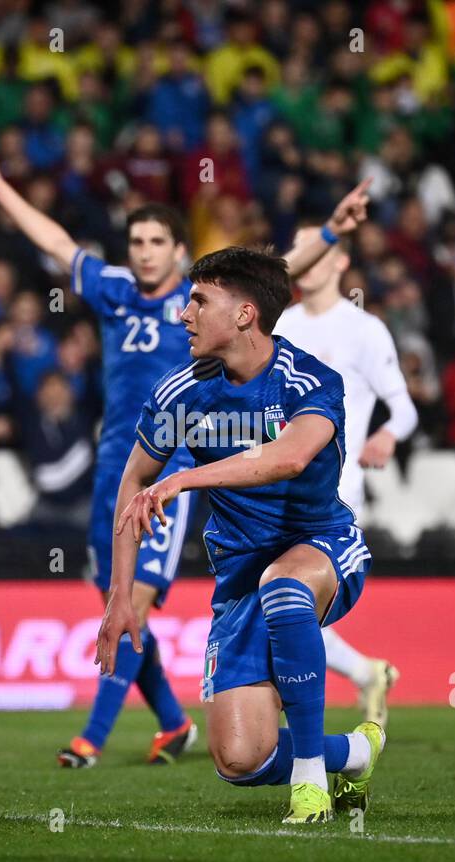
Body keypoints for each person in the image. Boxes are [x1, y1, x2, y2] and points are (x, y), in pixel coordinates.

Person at [0, 126, 371, 769]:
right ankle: (174, 721)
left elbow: (270, 276)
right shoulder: (116, 295)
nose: (146, 253)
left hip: (183, 463)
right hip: (119, 463)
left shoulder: (204, 301)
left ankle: (93, 738)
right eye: (136, 242)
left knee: (140, 600)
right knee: (120, 601)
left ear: (179, 251)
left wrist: (329, 232)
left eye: (158, 242)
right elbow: (56, 242)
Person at [99, 246, 386, 824]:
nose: (184, 315)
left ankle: (309, 783)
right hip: (238, 582)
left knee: (284, 584)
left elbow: (290, 457)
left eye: (199, 301)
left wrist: (185, 477)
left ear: (245, 314)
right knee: (239, 760)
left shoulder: (309, 380)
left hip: (323, 549)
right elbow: (133, 483)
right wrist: (120, 596)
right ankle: (355, 752)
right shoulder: (182, 392)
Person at [273, 226, 418, 726]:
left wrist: (387, 437)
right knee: (282, 607)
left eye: (321, 250)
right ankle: (364, 674)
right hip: (275, 490)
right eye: (300, 249)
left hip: (335, 495)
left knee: (290, 606)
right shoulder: (280, 328)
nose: (307, 260)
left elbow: (404, 409)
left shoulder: (364, 330)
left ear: (341, 262)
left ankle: (295, 735)